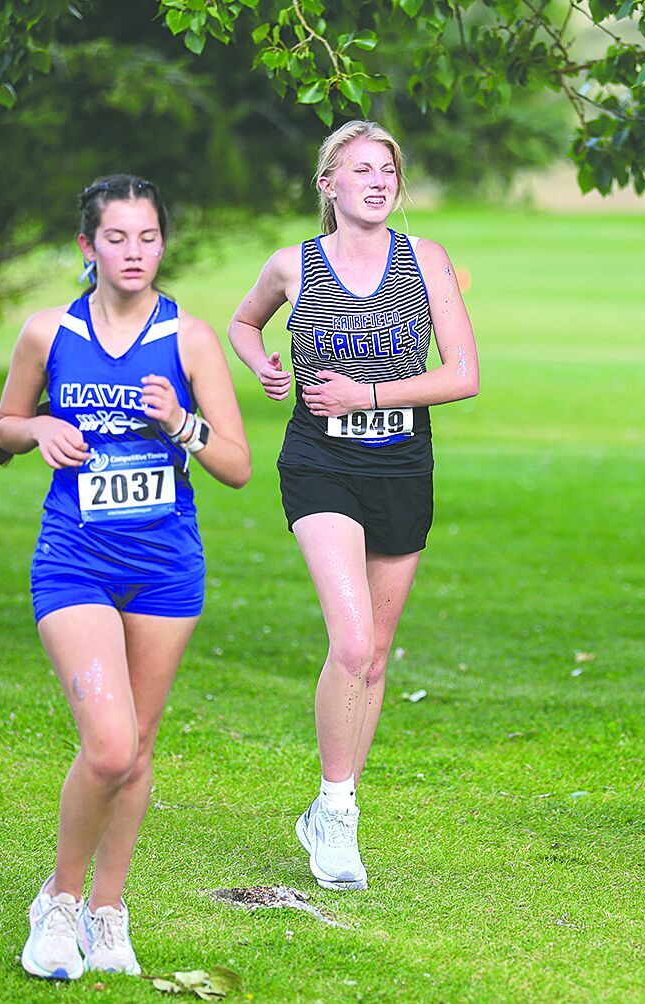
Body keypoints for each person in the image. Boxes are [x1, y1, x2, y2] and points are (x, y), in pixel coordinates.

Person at [0, 175, 250, 979]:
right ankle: (59, 906)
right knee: (107, 746)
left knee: (135, 749)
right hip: (74, 557)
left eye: (147, 238)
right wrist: (37, 428)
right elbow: (0, 431)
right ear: (87, 247)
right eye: (117, 239)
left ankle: (109, 913)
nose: (133, 253)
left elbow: (236, 465)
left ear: (162, 244)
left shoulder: (191, 339)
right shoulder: (48, 331)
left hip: (166, 566)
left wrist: (180, 422)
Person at [227, 121, 479, 892]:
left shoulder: (425, 261)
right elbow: (241, 322)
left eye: (388, 170)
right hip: (320, 464)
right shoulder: (292, 265)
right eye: (359, 169)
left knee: (373, 656)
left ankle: (331, 802)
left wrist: (366, 393)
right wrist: (262, 363)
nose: (377, 181)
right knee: (351, 637)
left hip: (402, 466)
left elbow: (463, 374)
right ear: (327, 184)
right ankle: (338, 815)